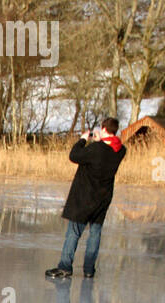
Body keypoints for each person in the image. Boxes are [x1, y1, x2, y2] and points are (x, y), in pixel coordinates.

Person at [45, 118, 125, 280]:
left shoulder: (96, 149)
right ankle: (89, 270)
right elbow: (106, 149)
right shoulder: (121, 150)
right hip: (103, 199)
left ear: (103, 129)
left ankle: (65, 267)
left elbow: (74, 155)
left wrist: (83, 139)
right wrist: (98, 141)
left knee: (74, 233)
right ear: (114, 131)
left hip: (84, 198)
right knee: (95, 234)